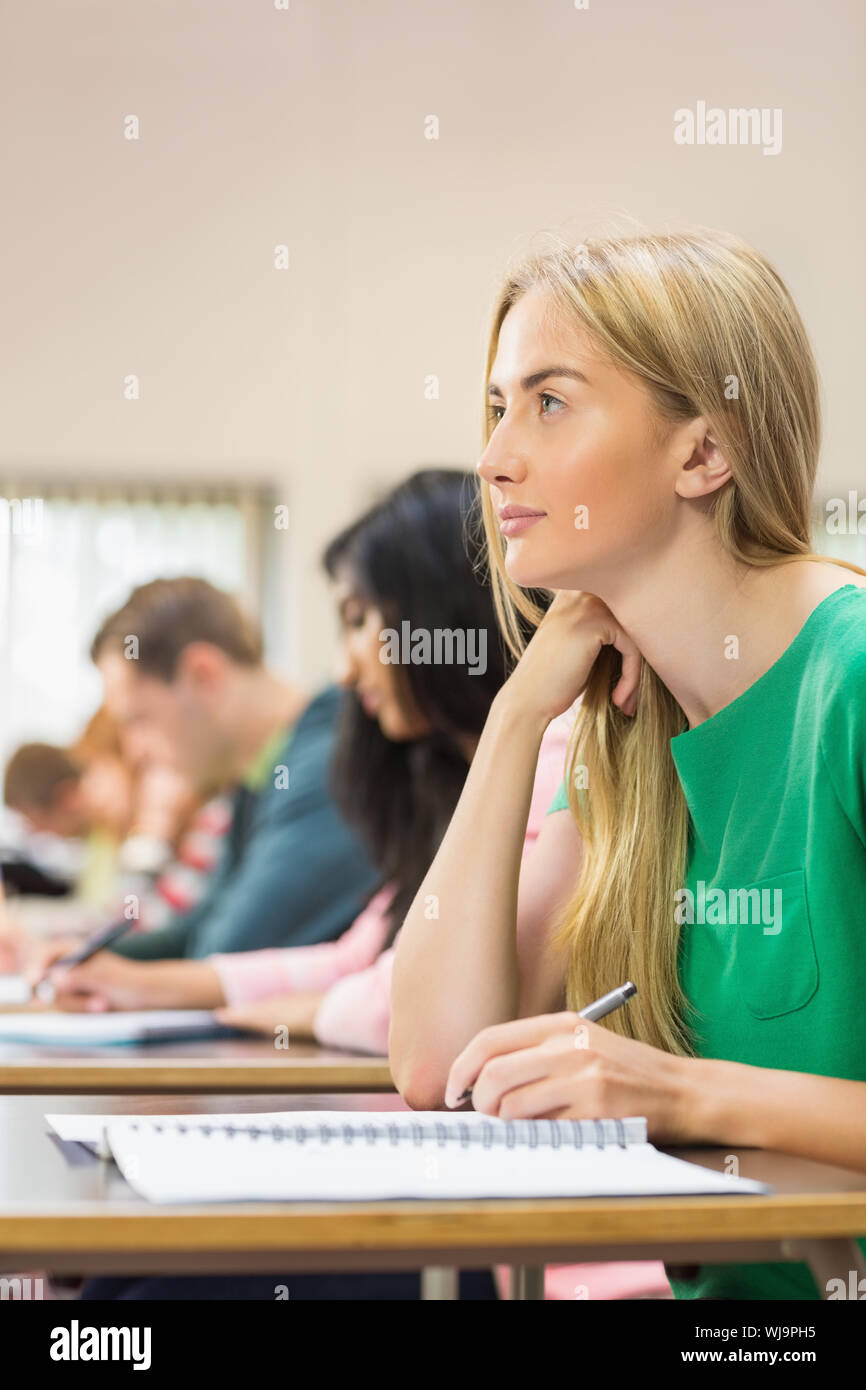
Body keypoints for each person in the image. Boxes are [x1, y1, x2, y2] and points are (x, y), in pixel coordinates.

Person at [390, 227, 866, 1301]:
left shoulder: (851, 673)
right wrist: (517, 716)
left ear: (703, 452)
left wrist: (685, 1094)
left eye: (547, 402)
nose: (493, 455)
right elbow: (437, 1064)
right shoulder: (622, 738)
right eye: (496, 406)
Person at [71, 470, 664, 1300]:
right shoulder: (431, 776)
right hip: (459, 1185)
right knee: (113, 1284)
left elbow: (410, 1016)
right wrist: (161, 986)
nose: (347, 668)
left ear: (437, 614)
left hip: (517, 1228)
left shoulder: (566, 748)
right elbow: (361, 959)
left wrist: (322, 1005)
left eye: (360, 621)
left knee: (140, 1293)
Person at [32, 577, 380, 972]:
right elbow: (196, 929)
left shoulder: (329, 761)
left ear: (204, 674)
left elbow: (229, 948)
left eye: (139, 719)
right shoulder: (257, 779)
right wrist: (82, 961)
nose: (134, 751)